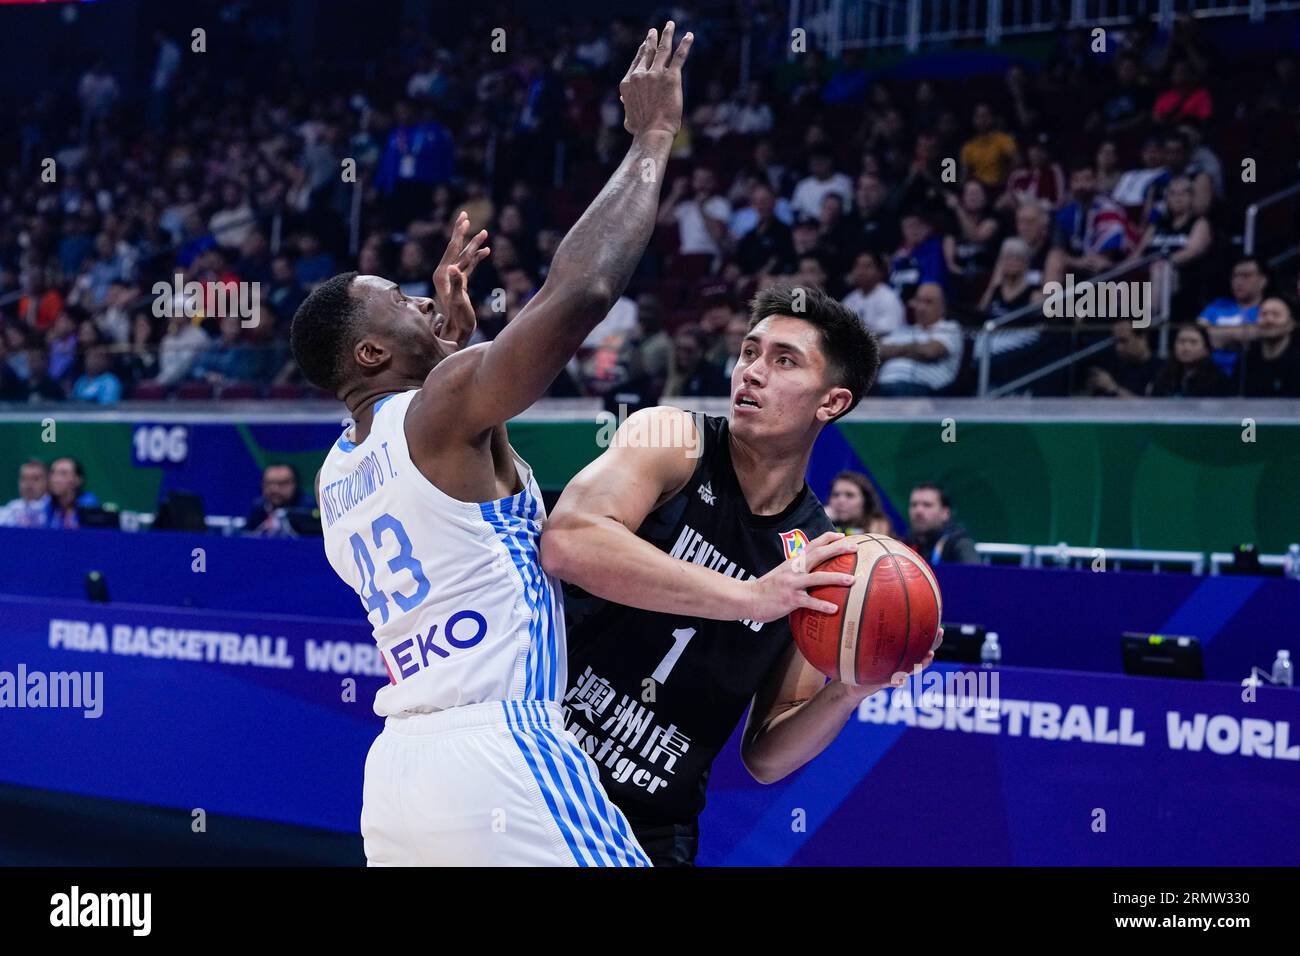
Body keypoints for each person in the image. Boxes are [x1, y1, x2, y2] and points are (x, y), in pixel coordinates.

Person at [287, 23, 694, 867]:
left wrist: (452, 359)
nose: (420, 301)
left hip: (398, 777)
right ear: (371, 353)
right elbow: (582, 291)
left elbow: (455, 488)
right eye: (400, 300)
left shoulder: (336, 473)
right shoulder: (438, 412)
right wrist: (653, 137)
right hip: (502, 750)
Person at [540, 283, 938, 866]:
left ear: (831, 403)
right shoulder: (673, 439)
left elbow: (767, 757)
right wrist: (751, 596)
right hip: (538, 769)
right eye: (750, 352)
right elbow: (568, 541)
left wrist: (850, 690)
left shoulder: (821, 557)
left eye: (784, 361)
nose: (751, 371)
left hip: (651, 828)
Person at [875, 283, 964, 396]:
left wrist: (894, 351)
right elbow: (877, 352)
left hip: (921, 390)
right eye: (918, 301)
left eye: (928, 302)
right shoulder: (903, 330)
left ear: (942, 307)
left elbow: (930, 352)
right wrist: (913, 349)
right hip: (882, 387)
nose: (921, 308)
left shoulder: (950, 328)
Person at [1198, 257, 1268, 384]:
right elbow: (1199, 333)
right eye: (1234, 276)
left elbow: (1261, 334)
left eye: (1246, 276)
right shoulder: (1218, 305)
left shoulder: (1268, 308)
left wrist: (1217, 336)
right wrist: (1239, 337)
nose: (1238, 282)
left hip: (1252, 375)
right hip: (1210, 375)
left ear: (1263, 280)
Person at [903, 483, 978, 565]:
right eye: (914, 505)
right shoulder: (906, 543)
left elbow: (975, 572)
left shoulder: (959, 543)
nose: (918, 511)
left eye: (927, 505)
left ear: (945, 513)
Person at [1150, 323, 1232, 397]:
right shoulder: (1164, 375)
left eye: (1193, 342)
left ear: (1206, 349)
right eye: (1182, 341)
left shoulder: (1217, 380)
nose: (1186, 348)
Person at [1242, 297, 1300, 398]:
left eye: (1276, 314)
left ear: (1291, 324)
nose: (1269, 320)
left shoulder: (1297, 360)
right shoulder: (1247, 359)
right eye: (1263, 314)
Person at [1086, 322, 1160, 397]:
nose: (1118, 348)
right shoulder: (1113, 368)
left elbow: (1152, 403)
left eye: (1124, 341)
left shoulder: (1160, 370)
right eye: (1116, 342)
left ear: (1142, 337)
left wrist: (1113, 388)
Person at [841, 250, 904, 337]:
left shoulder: (889, 298)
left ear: (880, 271)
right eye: (858, 266)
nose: (861, 272)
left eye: (867, 267)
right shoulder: (850, 299)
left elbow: (887, 330)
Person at [244, 463, 313, 537]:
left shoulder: (308, 508)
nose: (274, 489)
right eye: (269, 483)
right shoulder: (259, 508)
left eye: (282, 483)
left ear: (295, 484)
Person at [827, 471, 892, 536]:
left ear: (865, 501)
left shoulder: (878, 528)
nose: (841, 501)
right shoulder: (824, 522)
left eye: (850, 495)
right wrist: (823, 520)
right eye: (835, 495)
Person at [45, 457, 99, 529]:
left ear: (78, 480)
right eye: (52, 473)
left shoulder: (88, 504)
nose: (55, 479)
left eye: (63, 473)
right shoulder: (47, 506)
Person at [0, 460, 50, 528]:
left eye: (35, 479)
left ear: (47, 482)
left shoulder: (55, 510)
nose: (28, 484)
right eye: (24, 478)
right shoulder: (12, 508)